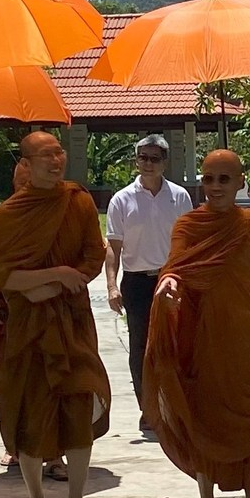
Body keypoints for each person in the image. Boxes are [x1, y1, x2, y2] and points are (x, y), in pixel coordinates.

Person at [146, 148, 250, 498]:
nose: (216, 187)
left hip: (247, 344)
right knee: (203, 420)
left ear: (241, 182)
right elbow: (174, 270)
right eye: (209, 179)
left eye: (225, 179)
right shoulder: (188, 226)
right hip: (201, 342)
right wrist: (169, 286)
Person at [0, 129, 113, 498]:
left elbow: (93, 256)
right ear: (25, 164)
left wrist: (55, 284)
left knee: (79, 404)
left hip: (72, 323)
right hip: (27, 331)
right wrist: (55, 275)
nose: (56, 160)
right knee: (29, 412)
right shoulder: (7, 215)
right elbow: (4, 276)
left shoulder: (77, 201)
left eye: (59, 152)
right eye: (45, 155)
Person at [104, 133, 192, 436]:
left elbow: (186, 242)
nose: (149, 164)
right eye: (143, 158)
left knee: (174, 344)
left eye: (155, 158)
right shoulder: (122, 199)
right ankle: (148, 409)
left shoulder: (179, 197)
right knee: (141, 346)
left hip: (171, 278)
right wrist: (112, 287)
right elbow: (113, 247)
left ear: (165, 162)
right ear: (136, 161)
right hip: (138, 283)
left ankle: (173, 405)